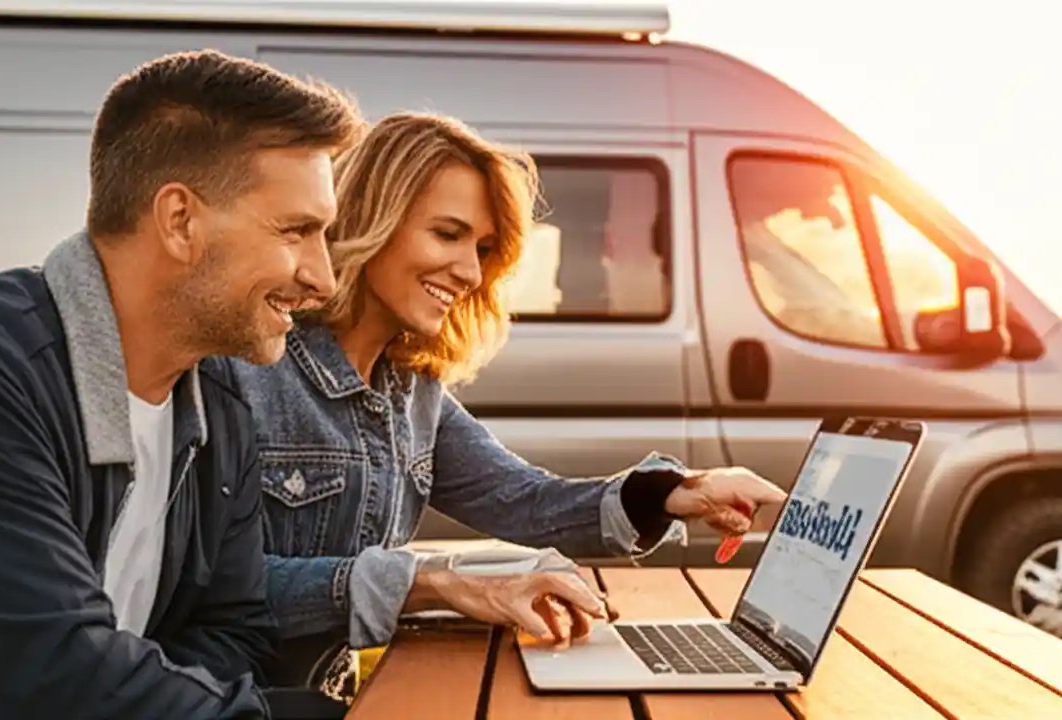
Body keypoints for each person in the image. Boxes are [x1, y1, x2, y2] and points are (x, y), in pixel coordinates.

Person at [231, 112, 788, 700]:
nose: (471, 272)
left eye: (483, 248)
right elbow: (217, 592)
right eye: (447, 234)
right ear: (372, 221)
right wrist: (436, 582)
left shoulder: (412, 391)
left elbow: (527, 500)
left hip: (334, 696)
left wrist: (676, 493)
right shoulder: (250, 373)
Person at [0, 50, 363, 719]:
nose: (322, 278)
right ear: (180, 221)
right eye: (296, 232)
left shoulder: (216, 404)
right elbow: (55, 681)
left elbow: (234, 632)